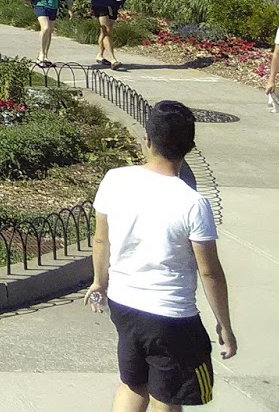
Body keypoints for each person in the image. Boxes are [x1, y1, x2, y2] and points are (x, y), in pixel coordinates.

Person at [86, 100, 235, 411]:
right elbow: (209, 272)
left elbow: (101, 240)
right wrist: (224, 325)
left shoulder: (115, 179)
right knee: (167, 397)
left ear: (147, 139)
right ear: (190, 147)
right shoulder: (193, 203)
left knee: (132, 384)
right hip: (171, 317)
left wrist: (99, 283)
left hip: (124, 305)